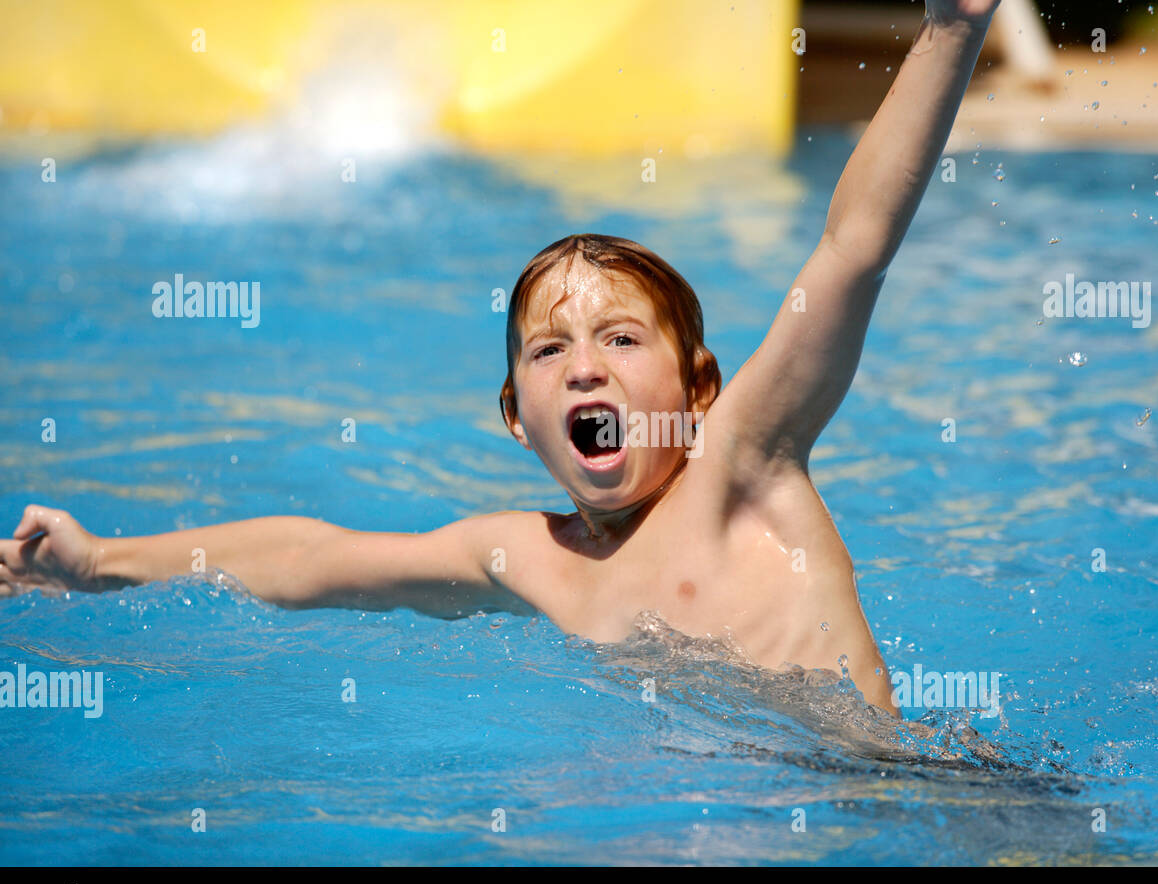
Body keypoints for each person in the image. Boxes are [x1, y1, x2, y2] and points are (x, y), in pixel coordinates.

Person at [0, 2, 1002, 718]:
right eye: (550, 348)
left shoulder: (740, 464)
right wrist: (102, 564)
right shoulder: (530, 559)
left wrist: (952, 26)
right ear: (516, 416)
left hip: (900, 799)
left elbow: (852, 247)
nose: (585, 367)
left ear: (699, 389)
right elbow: (311, 558)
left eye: (620, 338)